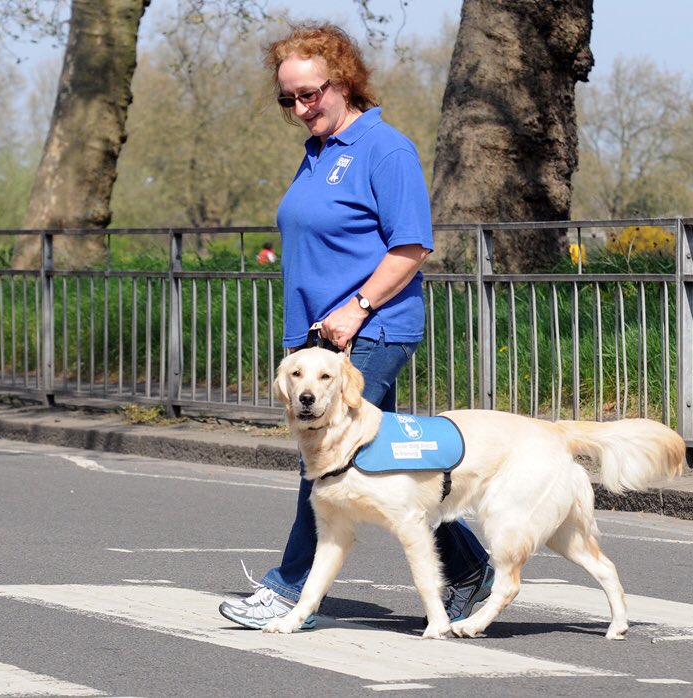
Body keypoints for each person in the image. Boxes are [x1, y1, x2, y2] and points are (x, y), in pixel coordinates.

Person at [219, 22, 493, 630]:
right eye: (287, 98)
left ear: (344, 83)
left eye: (310, 93)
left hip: (371, 328)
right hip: (321, 337)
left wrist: (357, 308)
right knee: (380, 464)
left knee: (325, 457)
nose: (299, 108)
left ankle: (288, 591)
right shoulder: (316, 152)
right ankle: (470, 569)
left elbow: (411, 246)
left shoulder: (384, 148)